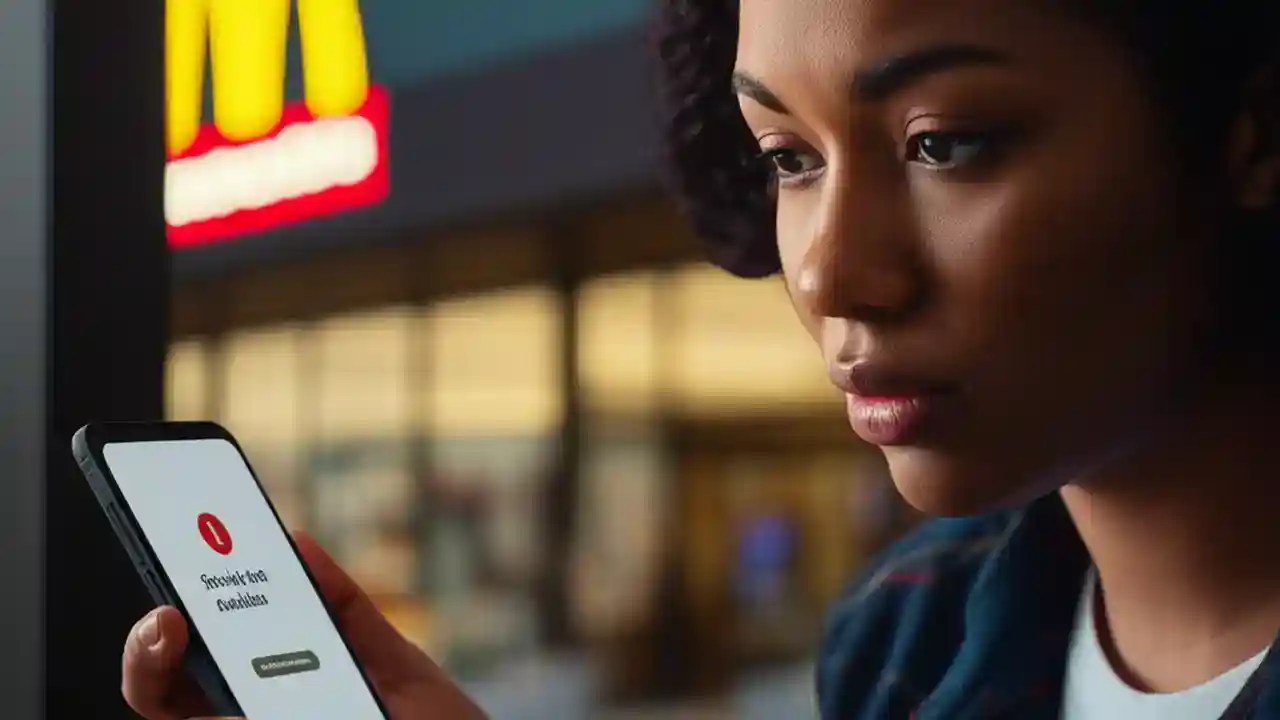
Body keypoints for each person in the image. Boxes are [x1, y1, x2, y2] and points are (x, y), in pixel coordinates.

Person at [122, 0, 1279, 717]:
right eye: (786, 158)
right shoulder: (902, 639)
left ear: (1249, 135)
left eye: (943, 143)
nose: (825, 273)